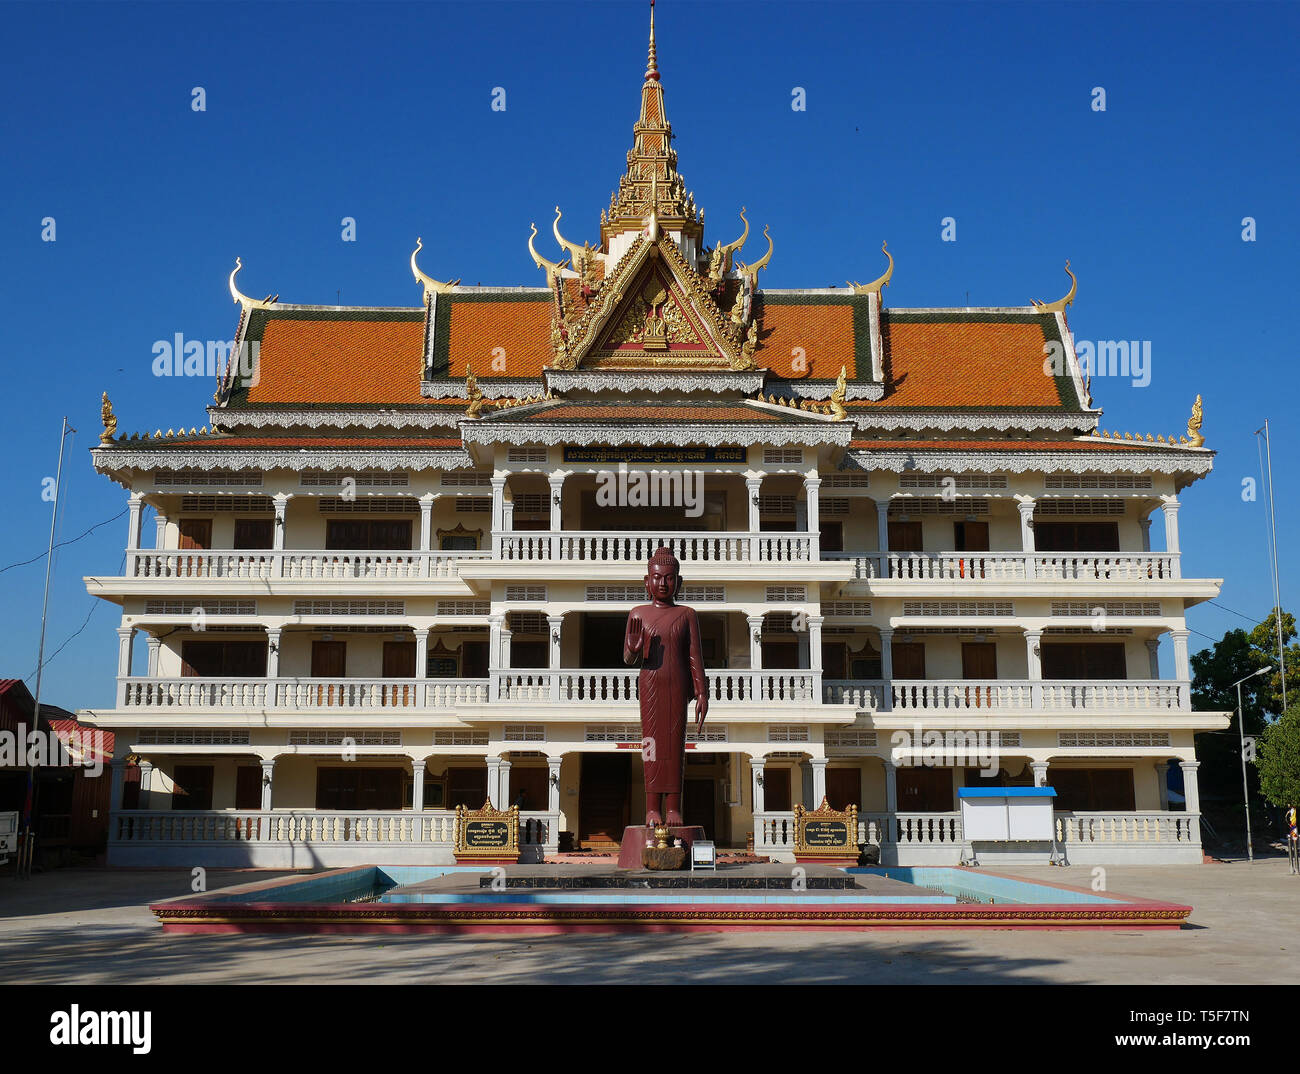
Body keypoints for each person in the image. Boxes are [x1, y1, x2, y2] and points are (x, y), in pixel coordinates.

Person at [623, 546, 708, 827]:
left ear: (678, 582)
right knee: (651, 746)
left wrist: (701, 692)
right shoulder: (638, 613)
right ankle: (651, 808)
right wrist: (633, 650)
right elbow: (628, 657)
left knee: (674, 745)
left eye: (669, 578)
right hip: (649, 685)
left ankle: (673, 807)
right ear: (646, 582)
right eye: (657, 577)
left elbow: (695, 656)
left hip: (677, 686)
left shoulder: (686, 614)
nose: (662, 583)